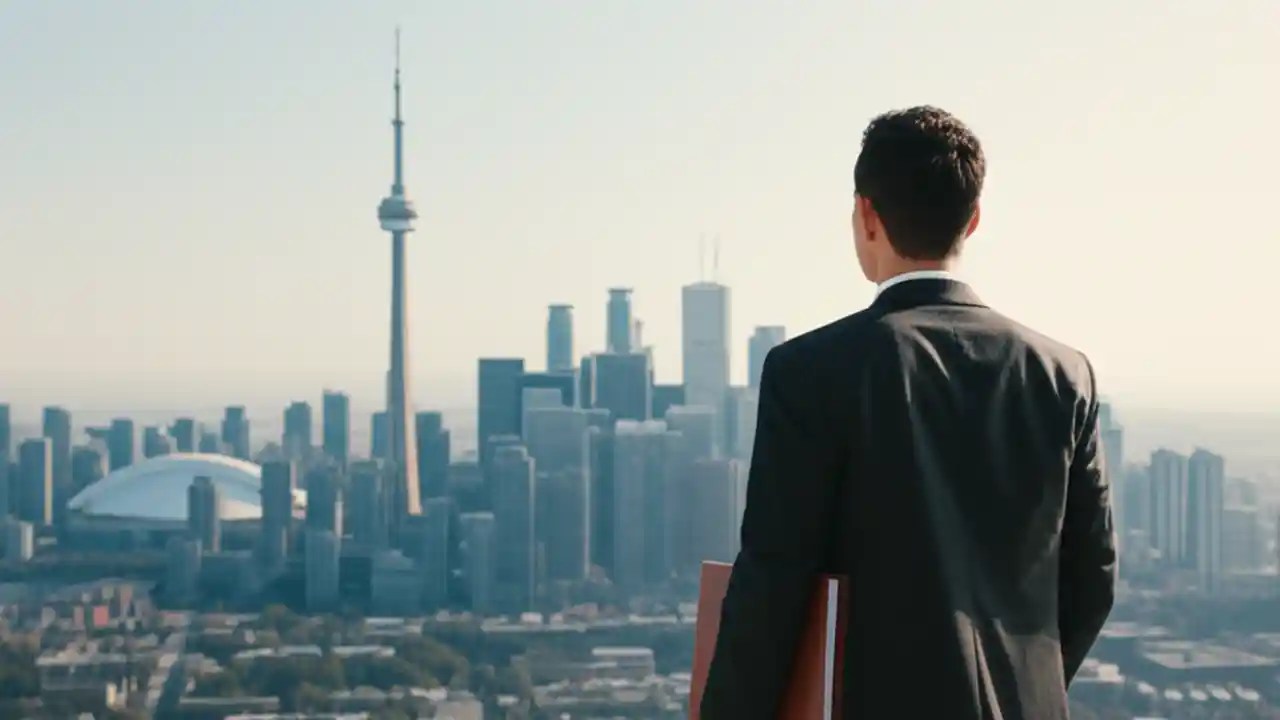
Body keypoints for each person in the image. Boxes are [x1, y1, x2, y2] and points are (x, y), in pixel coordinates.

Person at [700, 106, 1117, 719]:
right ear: (972, 221)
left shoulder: (811, 371)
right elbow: (1092, 580)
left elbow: (774, 582)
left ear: (866, 214)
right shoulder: (1063, 373)